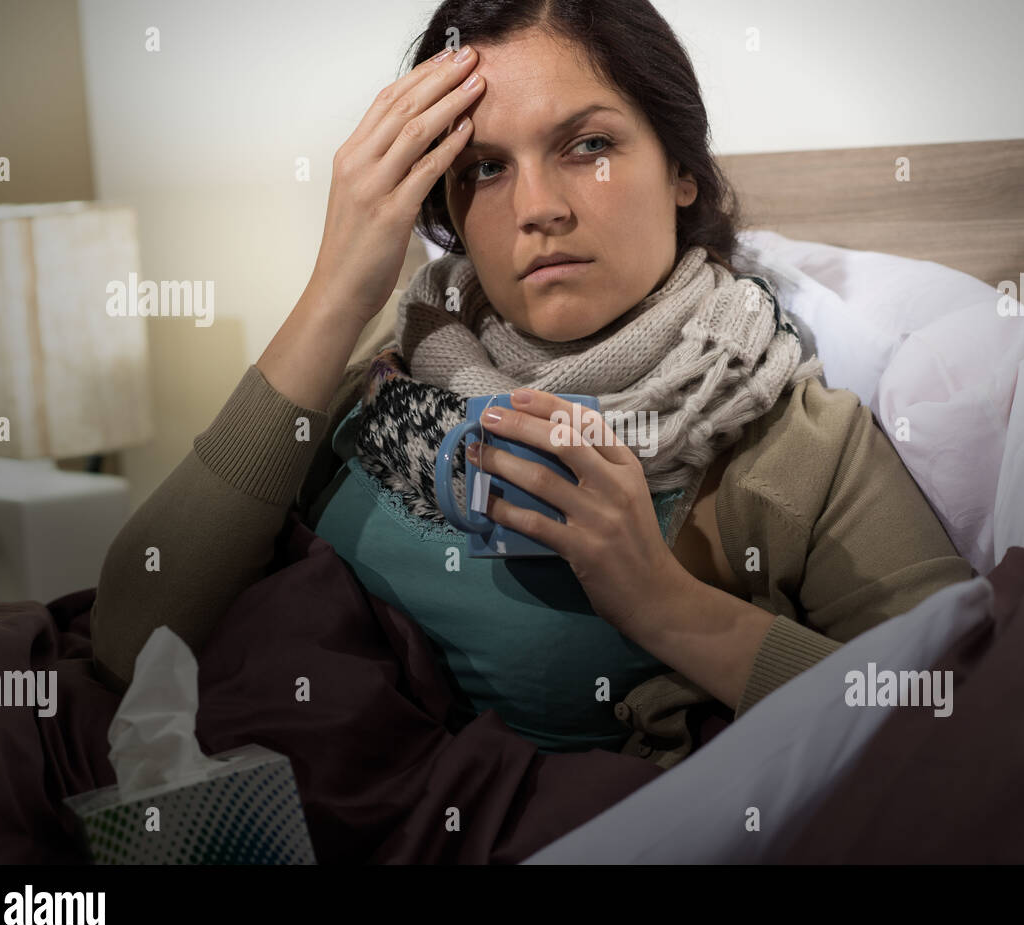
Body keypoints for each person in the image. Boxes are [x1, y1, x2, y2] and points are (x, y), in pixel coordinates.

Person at [91, 0, 973, 769]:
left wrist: (661, 603)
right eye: (486, 167)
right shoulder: (387, 375)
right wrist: (336, 292)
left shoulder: (798, 444)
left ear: (682, 171)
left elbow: (956, 722)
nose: (537, 206)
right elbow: (129, 638)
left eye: (587, 144)